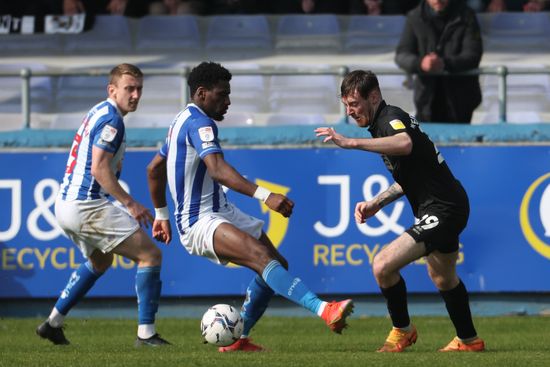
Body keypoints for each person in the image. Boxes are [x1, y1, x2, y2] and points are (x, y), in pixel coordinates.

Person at [146, 61, 354, 352]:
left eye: (229, 94)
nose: (228, 101)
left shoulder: (182, 120)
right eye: (222, 94)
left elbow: (154, 168)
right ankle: (324, 310)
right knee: (260, 257)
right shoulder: (199, 123)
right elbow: (217, 170)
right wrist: (266, 195)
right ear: (202, 93)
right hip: (199, 221)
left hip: (220, 210)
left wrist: (161, 214)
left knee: (276, 263)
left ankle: (239, 339)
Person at [314, 70, 485, 352]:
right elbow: (411, 175)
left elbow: (404, 143)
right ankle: (469, 340)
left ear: (374, 97)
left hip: (444, 208)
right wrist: (376, 203)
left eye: (354, 104)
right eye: (346, 105)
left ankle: (402, 331)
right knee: (443, 276)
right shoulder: (381, 124)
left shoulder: (390, 117)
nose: (350, 112)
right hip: (446, 204)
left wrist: (350, 142)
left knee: (382, 265)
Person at [36, 63, 170, 347]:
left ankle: (52, 324)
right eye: (129, 88)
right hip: (86, 205)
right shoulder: (112, 120)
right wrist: (131, 204)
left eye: (139, 89)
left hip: (65, 205)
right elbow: (99, 169)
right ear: (112, 90)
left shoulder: (99, 111)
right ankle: (146, 334)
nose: (135, 95)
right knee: (150, 256)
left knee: (100, 260)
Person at [395, 0, 483, 123]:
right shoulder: (414, 16)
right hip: (426, 100)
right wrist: (420, 63)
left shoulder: (467, 15)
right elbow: (402, 55)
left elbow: (473, 55)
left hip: (461, 100)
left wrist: (444, 64)